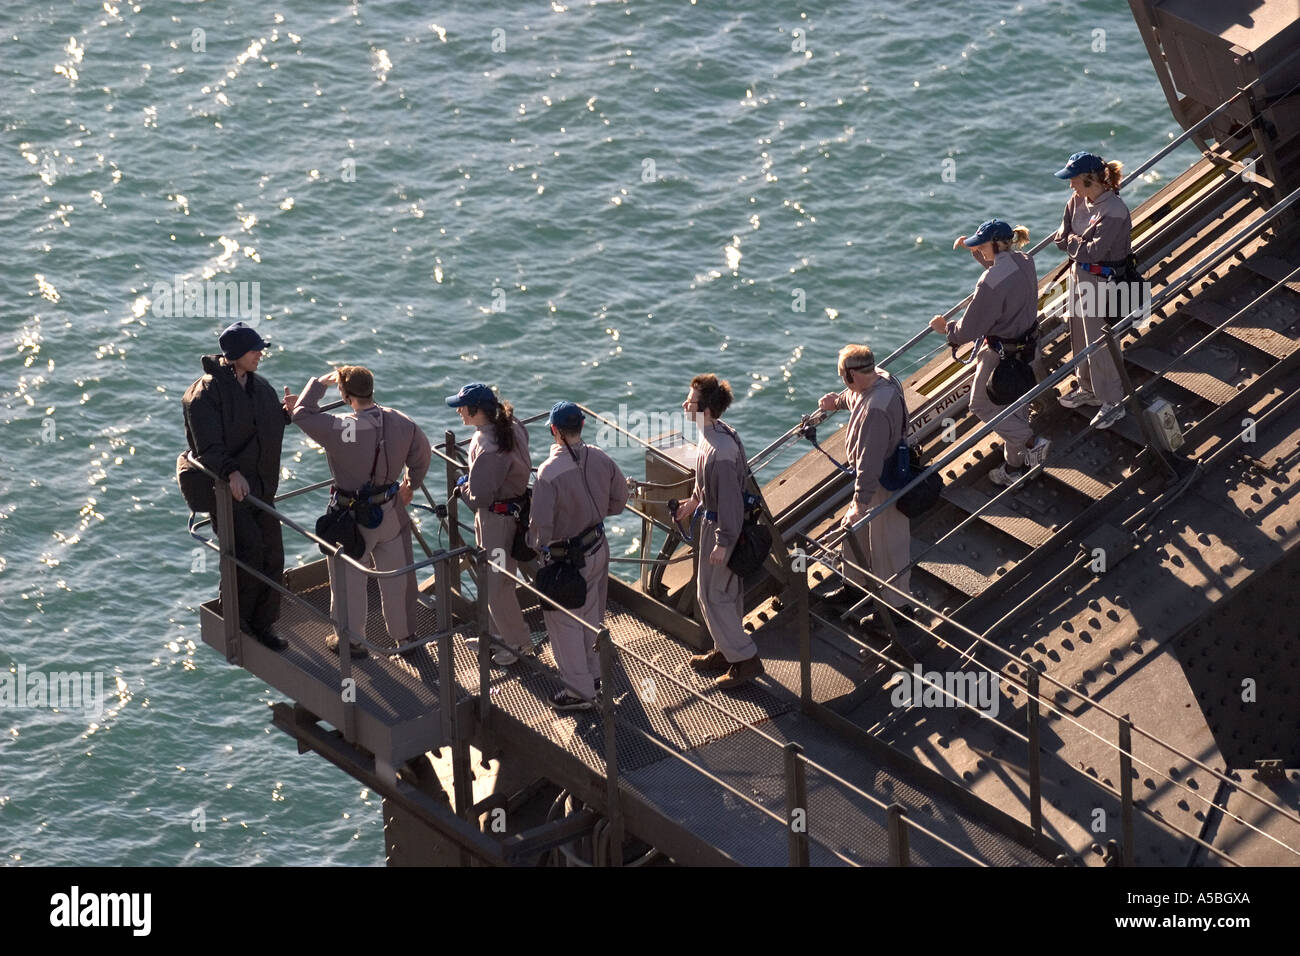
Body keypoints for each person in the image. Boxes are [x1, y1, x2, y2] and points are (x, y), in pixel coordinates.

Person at [292, 366, 431, 659]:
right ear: (372, 388)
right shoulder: (401, 421)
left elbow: (301, 414)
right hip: (391, 510)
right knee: (398, 578)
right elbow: (422, 453)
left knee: (349, 580)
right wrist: (410, 484)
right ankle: (405, 638)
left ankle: (351, 640)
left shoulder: (342, 427)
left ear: (344, 394)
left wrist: (319, 383)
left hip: (351, 518)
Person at [183, 321, 294, 651]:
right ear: (234, 356)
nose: (260, 354)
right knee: (247, 553)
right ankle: (239, 619)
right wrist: (231, 473)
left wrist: (285, 414)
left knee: (273, 556)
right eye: (254, 350)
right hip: (228, 493)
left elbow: (265, 425)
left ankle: (263, 624)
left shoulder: (260, 388)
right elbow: (209, 446)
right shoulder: (202, 395)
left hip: (261, 490)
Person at [929, 219, 1051, 486]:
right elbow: (1005, 278)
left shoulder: (989, 282)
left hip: (1001, 354)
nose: (980, 250)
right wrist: (974, 251)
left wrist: (944, 328)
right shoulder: (1025, 260)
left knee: (981, 404)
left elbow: (968, 330)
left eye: (982, 246)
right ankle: (1014, 469)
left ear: (995, 244)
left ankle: (1031, 441)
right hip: (1029, 348)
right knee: (1014, 408)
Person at [528, 401, 628, 711]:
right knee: (591, 614)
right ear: (582, 427)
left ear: (554, 431)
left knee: (564, 623)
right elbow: (620, 498)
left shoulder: (547, 473)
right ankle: (595, 676)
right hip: (598, 546)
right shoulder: (600, 457)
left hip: (567, 560)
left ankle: (578, 692)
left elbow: (539, 529)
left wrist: (535, 546)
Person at [673, 374, 764, 690]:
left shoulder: (720, 451)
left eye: (692, 401)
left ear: (707, 409)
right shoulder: (714, 435)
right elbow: (707, 485)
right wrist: (692, 502)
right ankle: (728, 650)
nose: (685, 404)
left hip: (722, 527)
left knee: (714, 596)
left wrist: (724, 542)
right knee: (722, 594)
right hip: (715, 522)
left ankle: (745, 660)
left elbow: (729, 501)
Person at [817, 345, 913, 621]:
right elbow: (853, 395)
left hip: (883, 481)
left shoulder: (874, 412)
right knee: (852, 530)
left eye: (842, 376)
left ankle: (897, 610)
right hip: (876, 476)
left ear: (850, 375)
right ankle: (855, 586)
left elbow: (869, 462)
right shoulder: (881, 379)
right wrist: (836, 402)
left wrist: (859, 503)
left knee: (887, 544)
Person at [446, 382, 533, 666]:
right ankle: (495, 636)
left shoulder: (484, 443)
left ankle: (518, 645)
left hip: (497, 521)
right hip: (518, 511)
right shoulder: (513, 425)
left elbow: (479, 497)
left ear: (476, 411)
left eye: (462, 407)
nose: (459, 411)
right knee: (497, 579)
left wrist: (462, 485)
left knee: (497, 585)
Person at [1052, 151, 1132, 430]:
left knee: (1101, 340)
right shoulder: (1077, 200)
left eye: (1073, 179)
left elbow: (1095, 251)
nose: (1070, 185)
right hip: (1080, 275)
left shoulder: (1115, 211)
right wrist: (1077, 244)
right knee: (1079, 334)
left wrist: (1074, 244)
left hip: (1105, 281)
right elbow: (1063, 240)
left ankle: (1113, 401)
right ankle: (1087, 386)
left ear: (1088, 179)